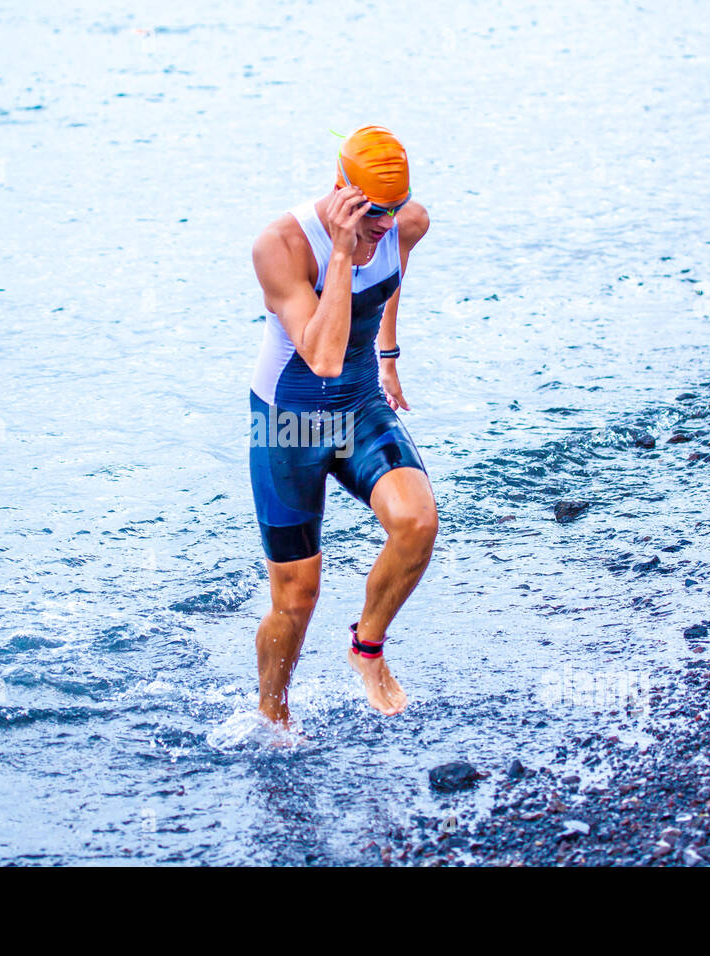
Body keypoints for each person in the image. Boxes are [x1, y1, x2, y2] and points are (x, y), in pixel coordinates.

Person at [248, 125, 437, 728]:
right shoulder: (280, 245)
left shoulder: (405, 224)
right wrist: (338, 249)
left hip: (357, 406)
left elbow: (389, 285)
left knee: (417, 522)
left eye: (396, 209)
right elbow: (322, 356)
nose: (386, 225)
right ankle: (273, 714)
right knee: (297, 598)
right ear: (342, 188)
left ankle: (368, 647)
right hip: (289, 424)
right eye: (374, 212)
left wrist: (389, 356)